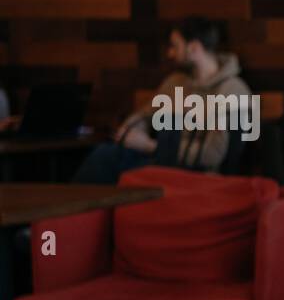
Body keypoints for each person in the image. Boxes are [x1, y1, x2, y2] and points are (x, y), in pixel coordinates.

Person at [72, 17, 250, 183]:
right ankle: (72, 211)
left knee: (117, 167)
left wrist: (151, 146)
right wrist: (133, 132)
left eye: (175, 46)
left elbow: (213, 154)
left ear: (194, 47)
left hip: (197, 174)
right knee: (106, 154)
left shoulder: (232, 91)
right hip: (161, 160)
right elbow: (145, 114)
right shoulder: (176, 83)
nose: (170, 53)